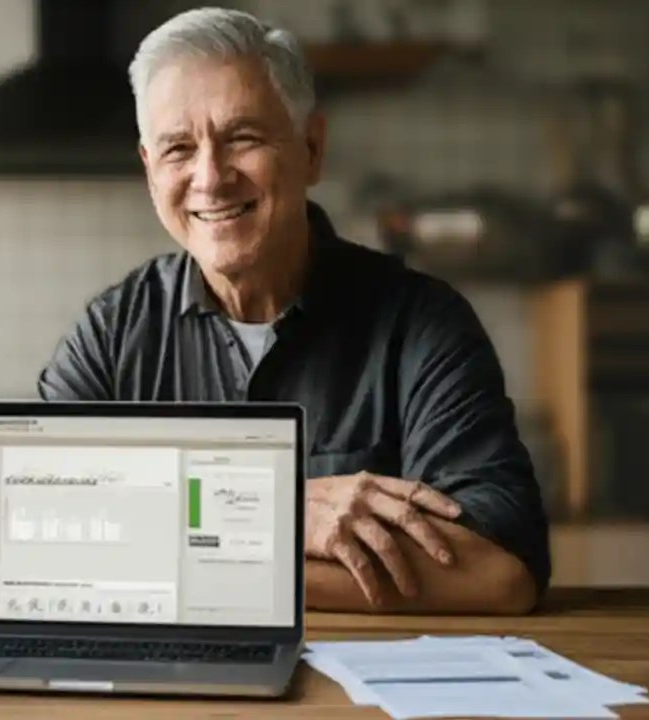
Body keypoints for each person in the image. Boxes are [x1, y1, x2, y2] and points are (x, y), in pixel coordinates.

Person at [37, 7, 549, 614]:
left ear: (311, 149)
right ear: (151, 172)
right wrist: (273, 514)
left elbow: (498, 570)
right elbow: (38, 540)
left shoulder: (423, 325)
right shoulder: (110, 335)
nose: (210, 178)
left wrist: (191, 558)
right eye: (178, 148)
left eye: (243, 138)